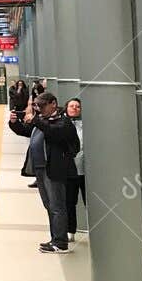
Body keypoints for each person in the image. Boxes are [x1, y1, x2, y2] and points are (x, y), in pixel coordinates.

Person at [11, 95, 80, 252]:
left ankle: (61, 243)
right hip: (41, 169)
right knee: (49, 205)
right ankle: (55, 238)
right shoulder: (43, 120)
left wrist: (35, 120)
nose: (39, 109)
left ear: (53, 104)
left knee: (57, 206)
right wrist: (14, 123)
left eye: (42, 105)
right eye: (36, 106)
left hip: (55, 169)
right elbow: (25, 130)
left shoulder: (63, 121)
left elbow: (54, 133)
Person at [66, 97, 85, 232]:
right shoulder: (62, 125)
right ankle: (71, 230)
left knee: (88, 201)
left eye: (77, 106)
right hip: (69, 171)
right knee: (70, 202)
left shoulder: (86, 125)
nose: (74, 108)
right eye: (71, 106)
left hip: (85, 170)